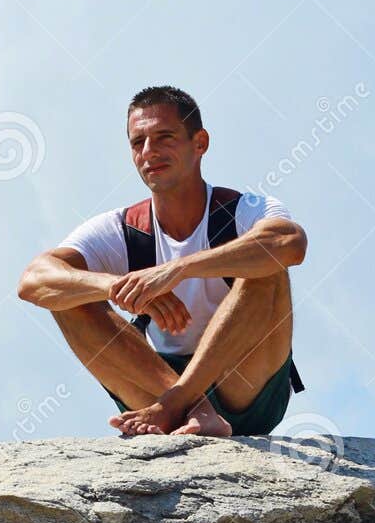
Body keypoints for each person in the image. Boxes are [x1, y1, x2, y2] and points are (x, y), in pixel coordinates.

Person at [17, 84, 308, 438]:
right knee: (64, 294)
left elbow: (290, 244)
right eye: (138, 142)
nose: (149, 152)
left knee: (266, 265)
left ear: (199, 143)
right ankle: (193, 409)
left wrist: (176, 270)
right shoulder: (123, 228)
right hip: (154, 394)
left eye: (164, 137)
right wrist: (118, 286)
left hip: (245, 389)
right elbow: (33, 280)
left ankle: (182, 402)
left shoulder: (244, 210)